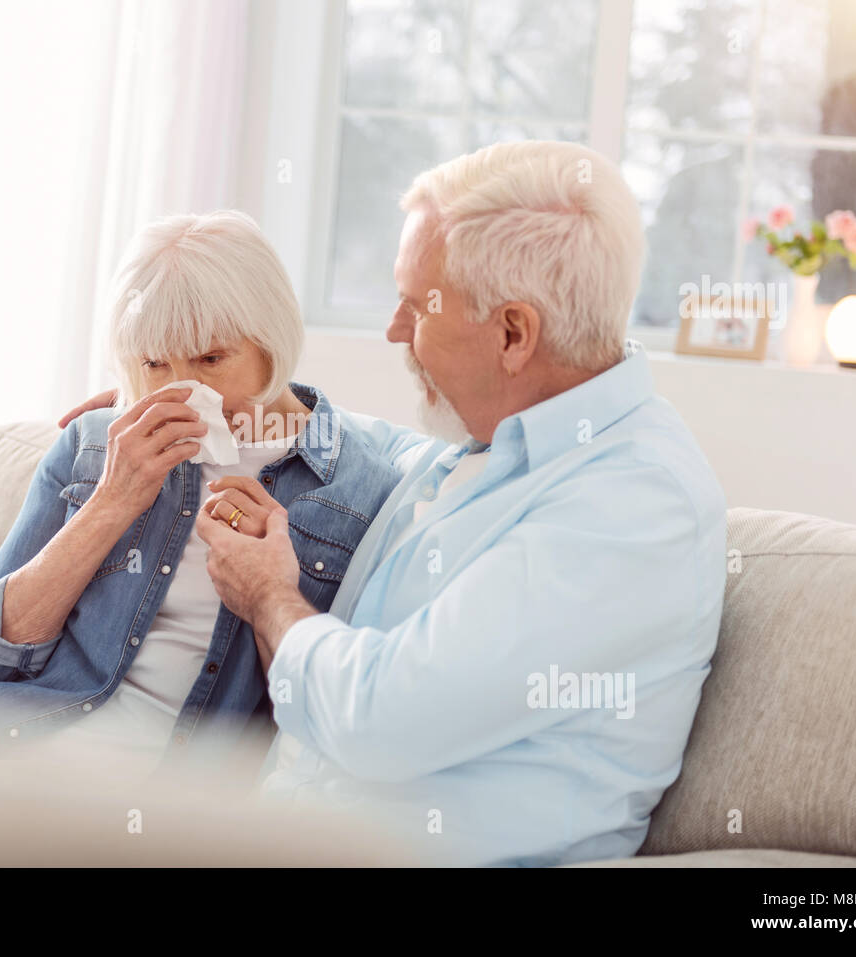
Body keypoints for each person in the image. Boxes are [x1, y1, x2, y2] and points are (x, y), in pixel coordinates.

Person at [62, 141, 727, 866]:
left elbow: (383, 717)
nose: (394, 330)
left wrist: (271, 598)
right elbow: (377, 447)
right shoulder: (503, 447)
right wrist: (184, 403)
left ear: (513, 333)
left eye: (418, 306)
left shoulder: (628, 507)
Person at [0, 210, 403, 787]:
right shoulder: (94, 444)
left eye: (208, 360)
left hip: (159, 784)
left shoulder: (351, 486)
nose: (177, 390)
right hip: (3, 717)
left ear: (271, 342)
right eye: (153, 363)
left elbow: (313, 726)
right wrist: (114, 498)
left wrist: (264, 594)